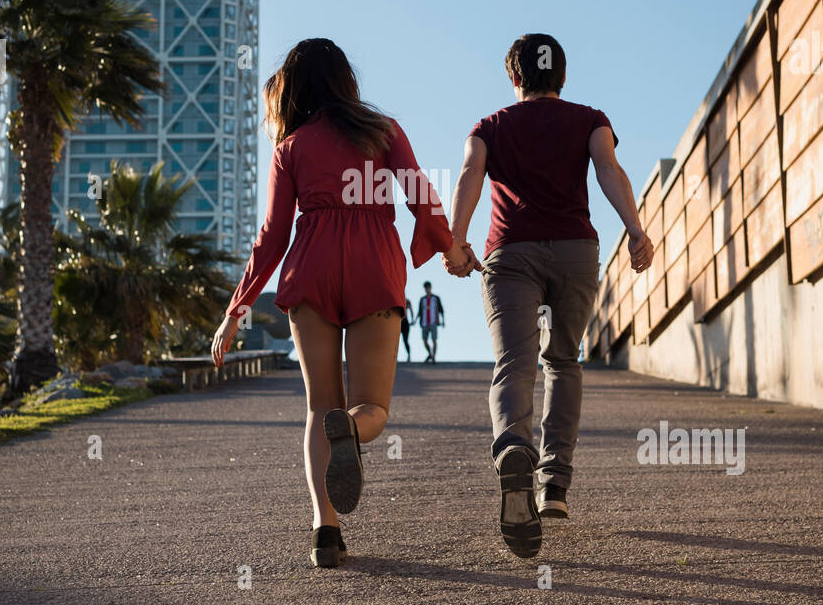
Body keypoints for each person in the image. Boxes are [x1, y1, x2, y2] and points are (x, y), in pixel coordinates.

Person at [211, 38, 474, 569]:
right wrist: (451, 247)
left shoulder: (291, 149)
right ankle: (352, 430)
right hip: (373, 266)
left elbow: (271, 237)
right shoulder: (384, 132)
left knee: (317, 407)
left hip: (311, 268)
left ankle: (324, 532)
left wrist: (235, 312)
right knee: (371, 406)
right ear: (345, 80)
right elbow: (420, 195)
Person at [445, 32, 654, 560]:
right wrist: (635, 228)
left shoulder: (488, 127)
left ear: (514, 77)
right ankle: (554, 487)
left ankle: (514, 449)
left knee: (515, 362)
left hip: (511, 250)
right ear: (561, 75)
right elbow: (609, 170)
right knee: (563, 359)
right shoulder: (590, 120)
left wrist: (456, 241)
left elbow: (470, 173)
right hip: (575, 251)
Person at [417, 281, 444, 362]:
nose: (427, 289)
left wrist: (443, 320)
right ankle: (430, 354)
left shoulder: (436, 298)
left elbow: (441, 309)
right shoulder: (422, 299)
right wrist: (415, 320)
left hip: (433, 322)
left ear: (430, 288)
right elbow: (419, 311)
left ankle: (433, 357)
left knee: (434, 339)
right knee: (424, 341)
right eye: (425, 288)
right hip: (424, 322)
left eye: (428, 288)